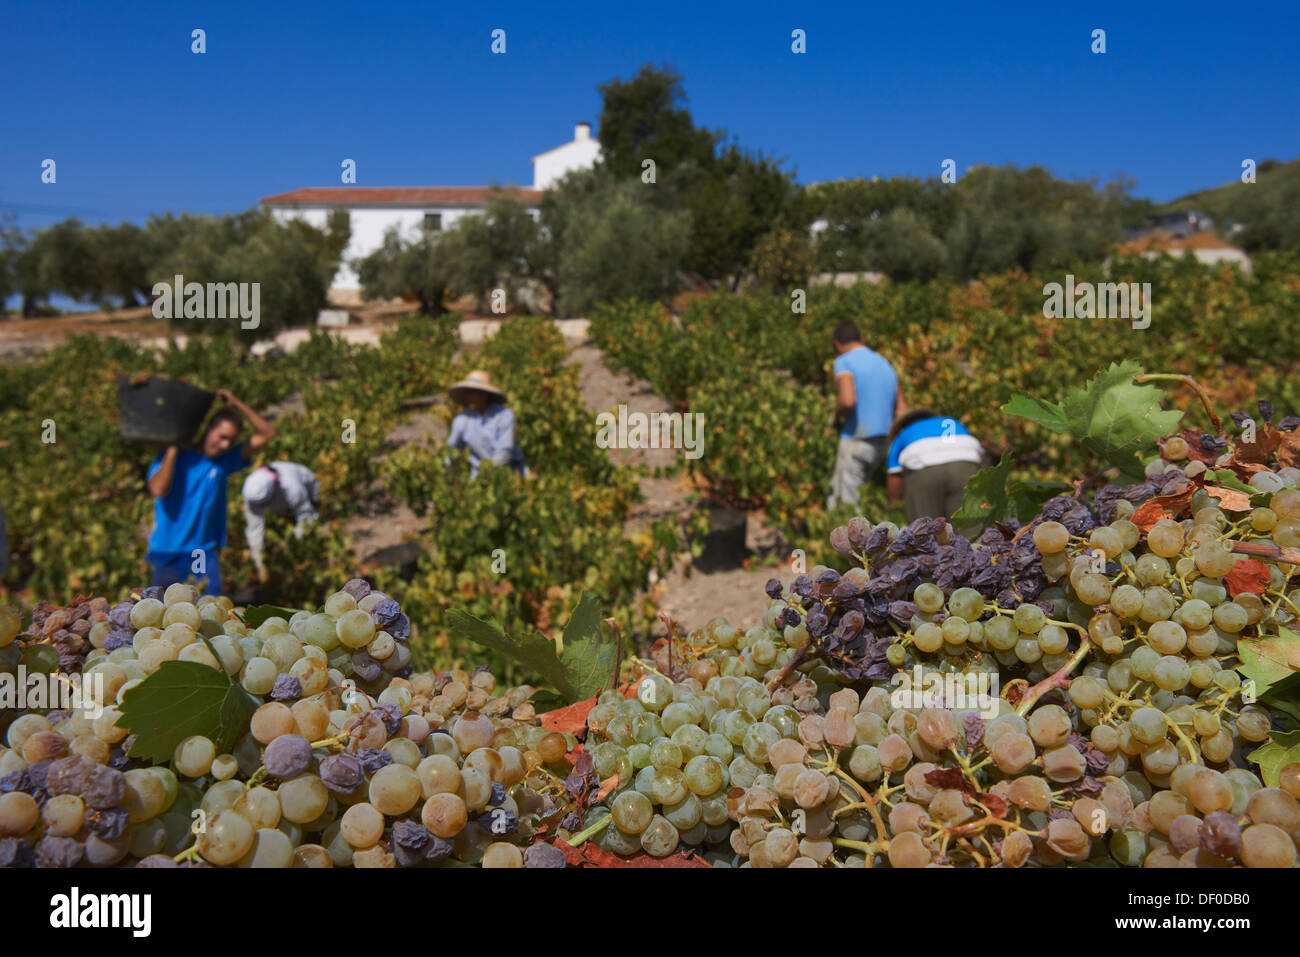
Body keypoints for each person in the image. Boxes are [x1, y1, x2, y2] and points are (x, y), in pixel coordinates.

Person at [145, 390, 274, 595]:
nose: (225, 445)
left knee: (207, 606)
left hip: (200, 551)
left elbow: (266, 433)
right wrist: (173, 447)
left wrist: (237, 403)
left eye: (230, 441)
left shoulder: (223, 461)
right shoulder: (173, 458)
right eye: (222, 437)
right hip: (167, 551)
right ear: (208, 429)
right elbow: (158, 490)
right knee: (164, 615)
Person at [828, 322, 906, 508]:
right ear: (862, 340)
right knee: (864, 497)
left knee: (844, 505)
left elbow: (847, 401)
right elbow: (902, 410)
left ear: (837, 345)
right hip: (882, 443)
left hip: (856, 439)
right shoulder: (885, 364)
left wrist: (834, 416)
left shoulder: (844, 361)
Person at [885, 409, 985, 522]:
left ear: (901, 427)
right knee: (970, 525)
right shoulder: (953, 423)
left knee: (925, 529)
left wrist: (893, 506)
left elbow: (894, 475)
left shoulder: (903, 434)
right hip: (965, 467)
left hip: (925, 471)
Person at [241, 462, 320, 583]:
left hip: (309, 491)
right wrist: (260, 563)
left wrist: (295, 546)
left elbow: (306, 516)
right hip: (284, 505)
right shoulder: (251, 490)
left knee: (310, 526)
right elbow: (254, 529)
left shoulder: (293, 489)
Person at [446, 370, 527, 478]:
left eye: (473, 393)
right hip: (479, 477)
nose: (469, 397)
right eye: (467, 393)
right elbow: (452, 450)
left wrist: (487, 471)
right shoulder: (461, 421)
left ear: (484, 394)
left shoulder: (504, 415)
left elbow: (505, 452)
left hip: (510, 473)